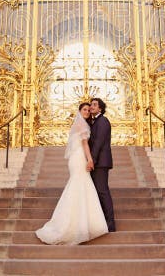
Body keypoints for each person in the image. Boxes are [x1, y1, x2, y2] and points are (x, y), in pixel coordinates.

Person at [35, 103, 108, 245]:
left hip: (76, 158)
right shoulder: (82, 125)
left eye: (88, 110)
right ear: (79, 111)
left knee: (79, 186)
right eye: (84, 110)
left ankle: (81, 223)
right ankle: (76, 225)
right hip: (79, 158)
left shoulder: (79, 124)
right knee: (80, 185)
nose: (87, 112)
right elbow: (85, 144)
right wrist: (90, 159)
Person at [88, 97, 116, 232]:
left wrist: (91, 160)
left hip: (101, 162)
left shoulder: (103, 121)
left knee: (102, 191)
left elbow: (98, 142)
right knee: (98, 192)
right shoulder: (94, 122)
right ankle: (103, 220)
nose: (91, 107)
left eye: (94, 105)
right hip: (97, 161)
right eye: (91, 105)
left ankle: (110, 223)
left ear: (100, 108)